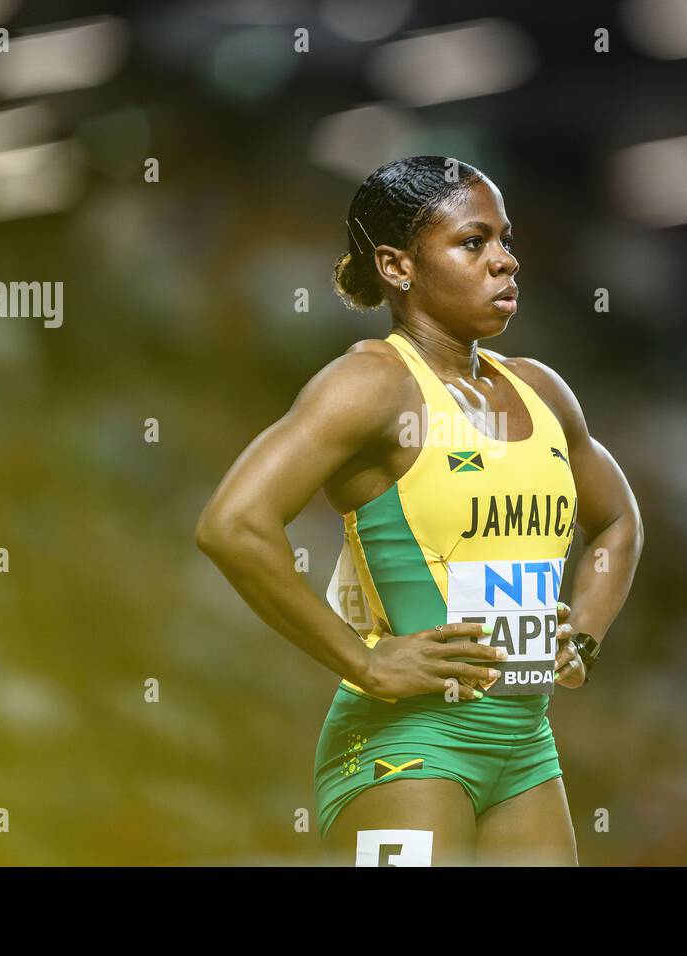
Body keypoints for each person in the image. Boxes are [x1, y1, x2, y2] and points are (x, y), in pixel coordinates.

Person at [196, 156, 643, 865]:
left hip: (527, 748)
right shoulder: (373, 385)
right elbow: (232, 524)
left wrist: (582, 635)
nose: (506, 262)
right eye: (474, 243)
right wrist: (368, 664)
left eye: (505, 239)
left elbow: (618, 521)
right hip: (406, 746)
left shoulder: (542, 392)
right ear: (398, 266)